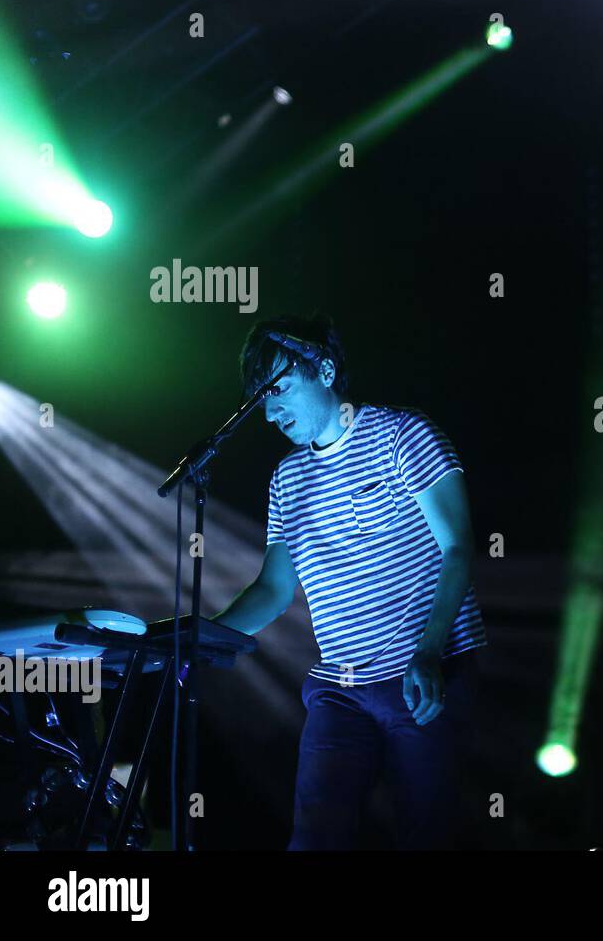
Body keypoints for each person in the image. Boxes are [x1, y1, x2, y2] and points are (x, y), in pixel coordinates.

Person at [214, 313, 486, 849]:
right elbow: (273, 589)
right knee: (315, 837)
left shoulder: (405, 434)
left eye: (281, 389)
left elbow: (458, 548)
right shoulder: (287, 479)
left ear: (327, 370)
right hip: (338, 689)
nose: (271, 412)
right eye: (262, 400)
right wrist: (203, 635)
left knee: (427, 835)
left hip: (424, 673)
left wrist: (429, 652)